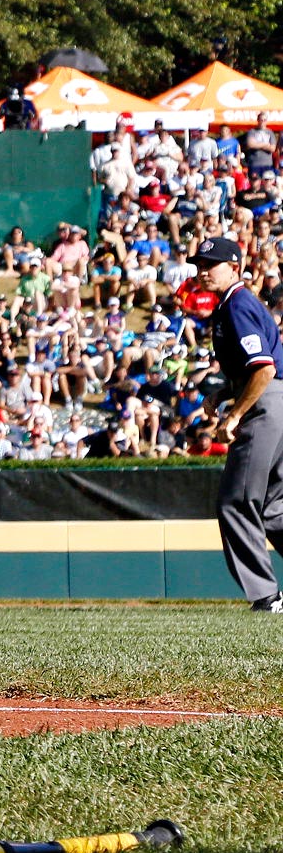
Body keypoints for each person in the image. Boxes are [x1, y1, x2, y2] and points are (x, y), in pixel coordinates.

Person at [195, 237, 283, 610]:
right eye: (199, 263)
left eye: (210, 263)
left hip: (268, 406)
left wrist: (234, 415)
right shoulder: (235, 304)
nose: (202, 271)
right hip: (276, 402)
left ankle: (266, 596)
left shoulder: (238, 304)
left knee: (235, 501)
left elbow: (264, 368)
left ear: (234, 266)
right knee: (274, 509)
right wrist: (224, 395)